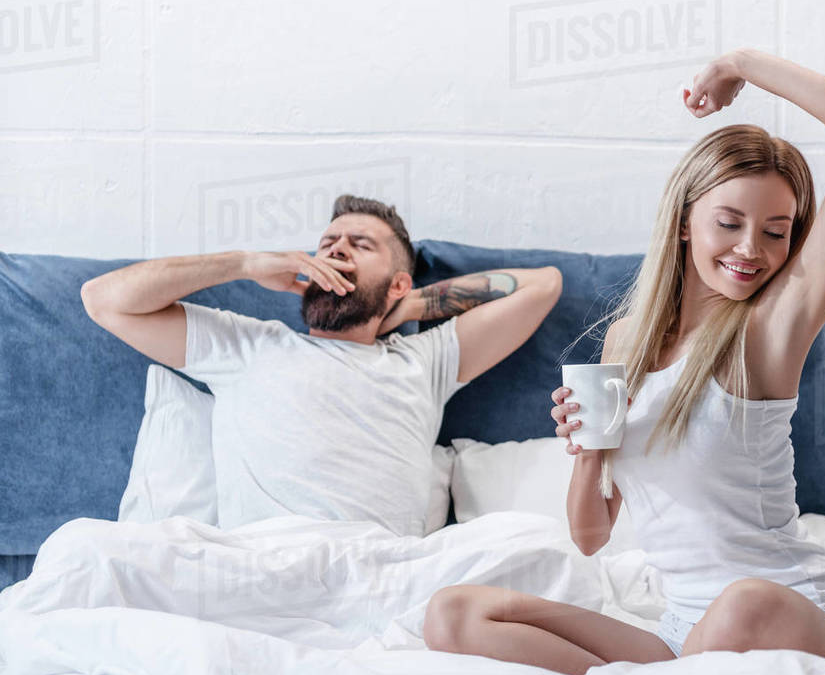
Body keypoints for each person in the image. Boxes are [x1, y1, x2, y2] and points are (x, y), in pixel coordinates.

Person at [423, 48, 825, 675]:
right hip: (685, 633)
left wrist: (741, 64)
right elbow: (591, 537)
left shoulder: (769, 328)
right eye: (729, 223)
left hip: (787, 615)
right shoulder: (627, 343)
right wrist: (589, 448)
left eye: (776, 232)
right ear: (683, 222)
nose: (750, 250)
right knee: (453, 612)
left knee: (743, 604)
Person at [80, 194, 562, 537]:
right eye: (328, 241)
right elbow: (103, 300)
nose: (335, 248)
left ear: (396, 283)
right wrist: (244, 263)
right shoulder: (247, 345)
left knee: (531, 558)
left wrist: (410, 305)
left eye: (360, 244)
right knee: (85, 553)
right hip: (260, 569)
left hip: (382, 576)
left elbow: (543, 286)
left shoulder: (424, 361)